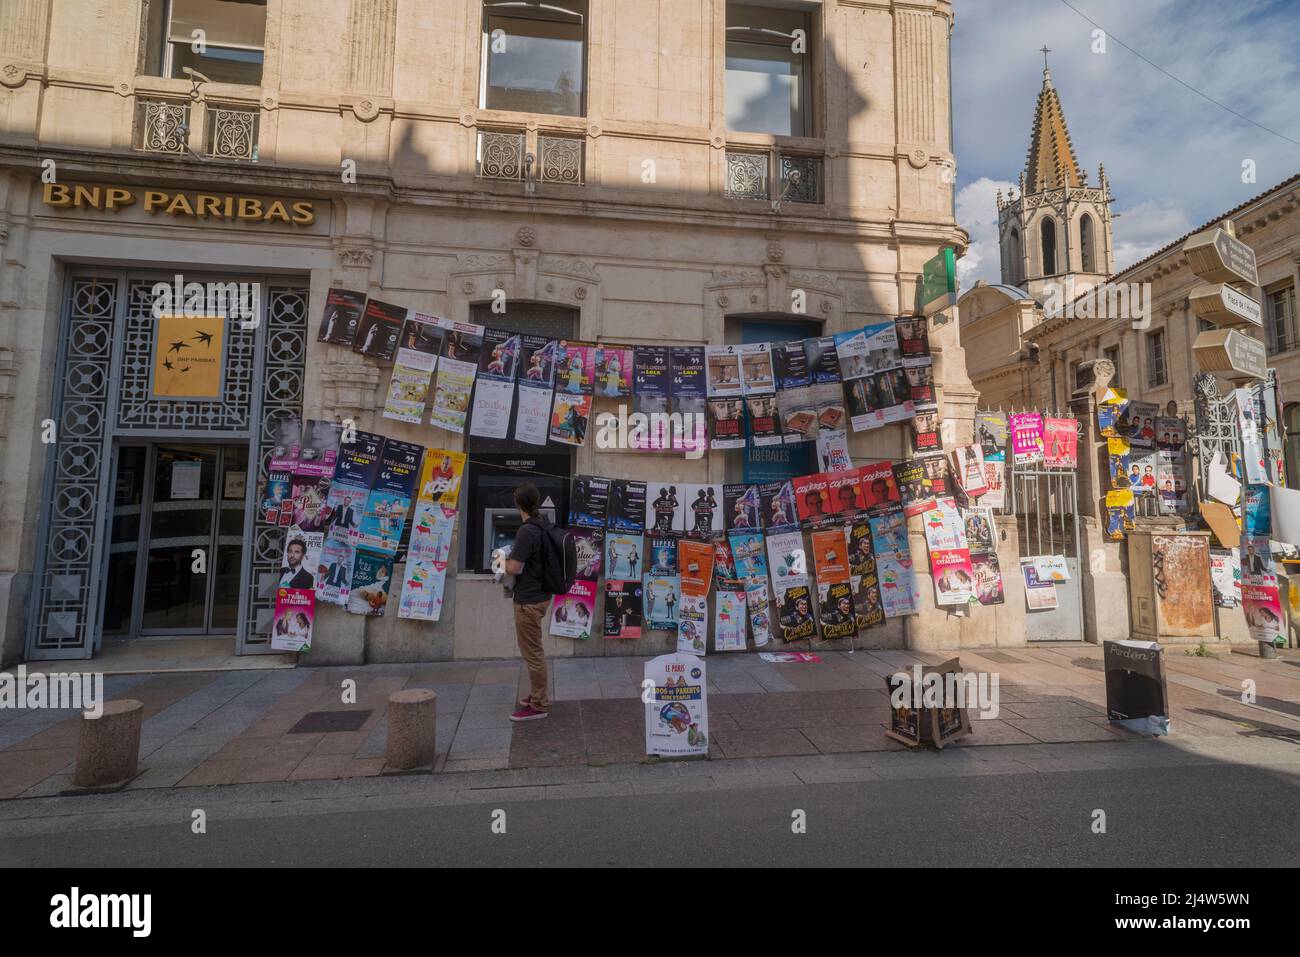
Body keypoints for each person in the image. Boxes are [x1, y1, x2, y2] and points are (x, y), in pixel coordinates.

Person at [503, 482, 555, 721]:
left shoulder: (526, 530)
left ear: (517, 502)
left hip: (528, 600)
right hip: (542, 595)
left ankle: (539, 705)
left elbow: (514, 567)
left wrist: (498, 560)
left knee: (533, 653)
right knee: (534, 650)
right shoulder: (543, 524)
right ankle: (537, 694)